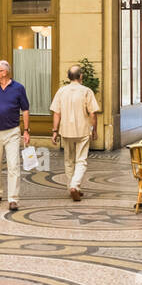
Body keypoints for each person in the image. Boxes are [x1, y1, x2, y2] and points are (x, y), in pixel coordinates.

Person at [0, 59, 30, 210]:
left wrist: (26, 130)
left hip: (12, 132)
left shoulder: (18, 88)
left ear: (4, 73)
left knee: (13, 165)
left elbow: (25, 110)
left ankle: (13, 198)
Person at [50, 65, 101, 201]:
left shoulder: (61, 91)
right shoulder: (86, 91)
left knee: (68, 160)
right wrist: (94, 130)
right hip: (82, 130)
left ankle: (72, 187)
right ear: (81, 76)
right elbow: (93, 113)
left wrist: (55, 131)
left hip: (65, 131)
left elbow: (56, 113)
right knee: (81, 160)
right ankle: (75, 185)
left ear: (68, 77)